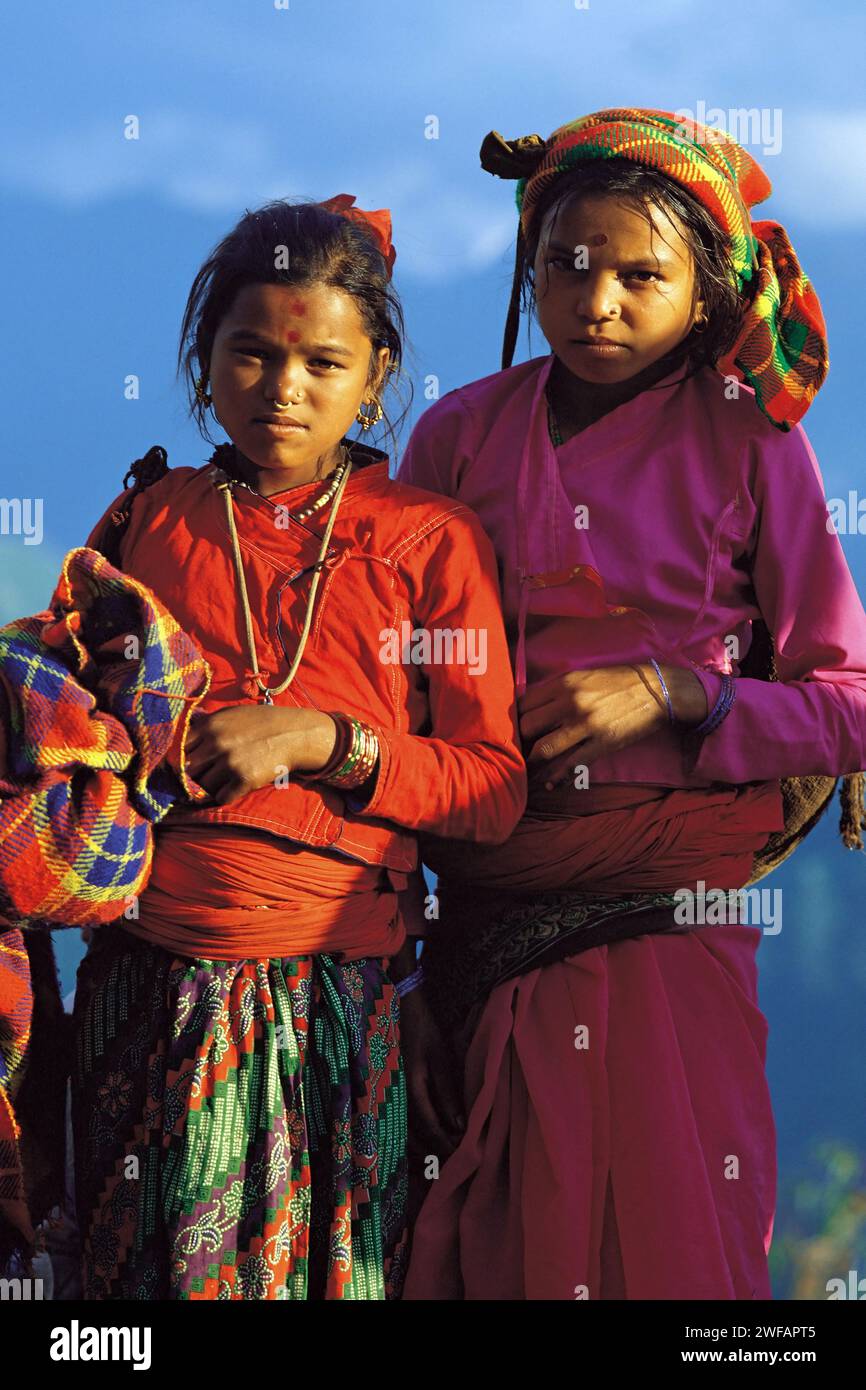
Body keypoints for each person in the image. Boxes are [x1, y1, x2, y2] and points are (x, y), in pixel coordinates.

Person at [395, 108, 866, 1300]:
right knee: (489, 1232)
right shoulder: (458, 433)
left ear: (704, 291)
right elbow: (390, 678)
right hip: (481, 900)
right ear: (527, 267)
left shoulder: (751, 443)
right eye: (564, 264)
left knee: (659, 1232)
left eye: (637, 274)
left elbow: (845, 700)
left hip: (661, 915)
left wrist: (673, 692)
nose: (593, 300)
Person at [67, 194, 526, 1300]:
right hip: (145, 986)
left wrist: (327, 739)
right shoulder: (146, 524)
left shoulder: (425, 543)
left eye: (324, 362)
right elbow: (61, 732)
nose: (283, 387)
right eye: (252, 354)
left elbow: (492, 786)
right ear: (203, 362)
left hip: (333, 991)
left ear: (374, 378)